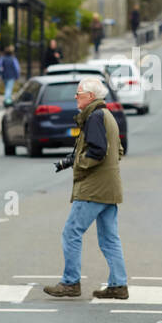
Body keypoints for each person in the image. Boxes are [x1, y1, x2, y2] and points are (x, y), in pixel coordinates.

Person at [43, 76, 129, 300]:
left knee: (71, 233)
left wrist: (79, 164)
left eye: (78, 93)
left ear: (90, 96)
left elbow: (97, 152)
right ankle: (118, 285)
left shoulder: (94, 117)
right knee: (109, 238)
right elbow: (117, 151)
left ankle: (70, 283)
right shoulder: (107, 115)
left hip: (93, 190)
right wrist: (70, 161)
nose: (75, 97)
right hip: (110, 188)